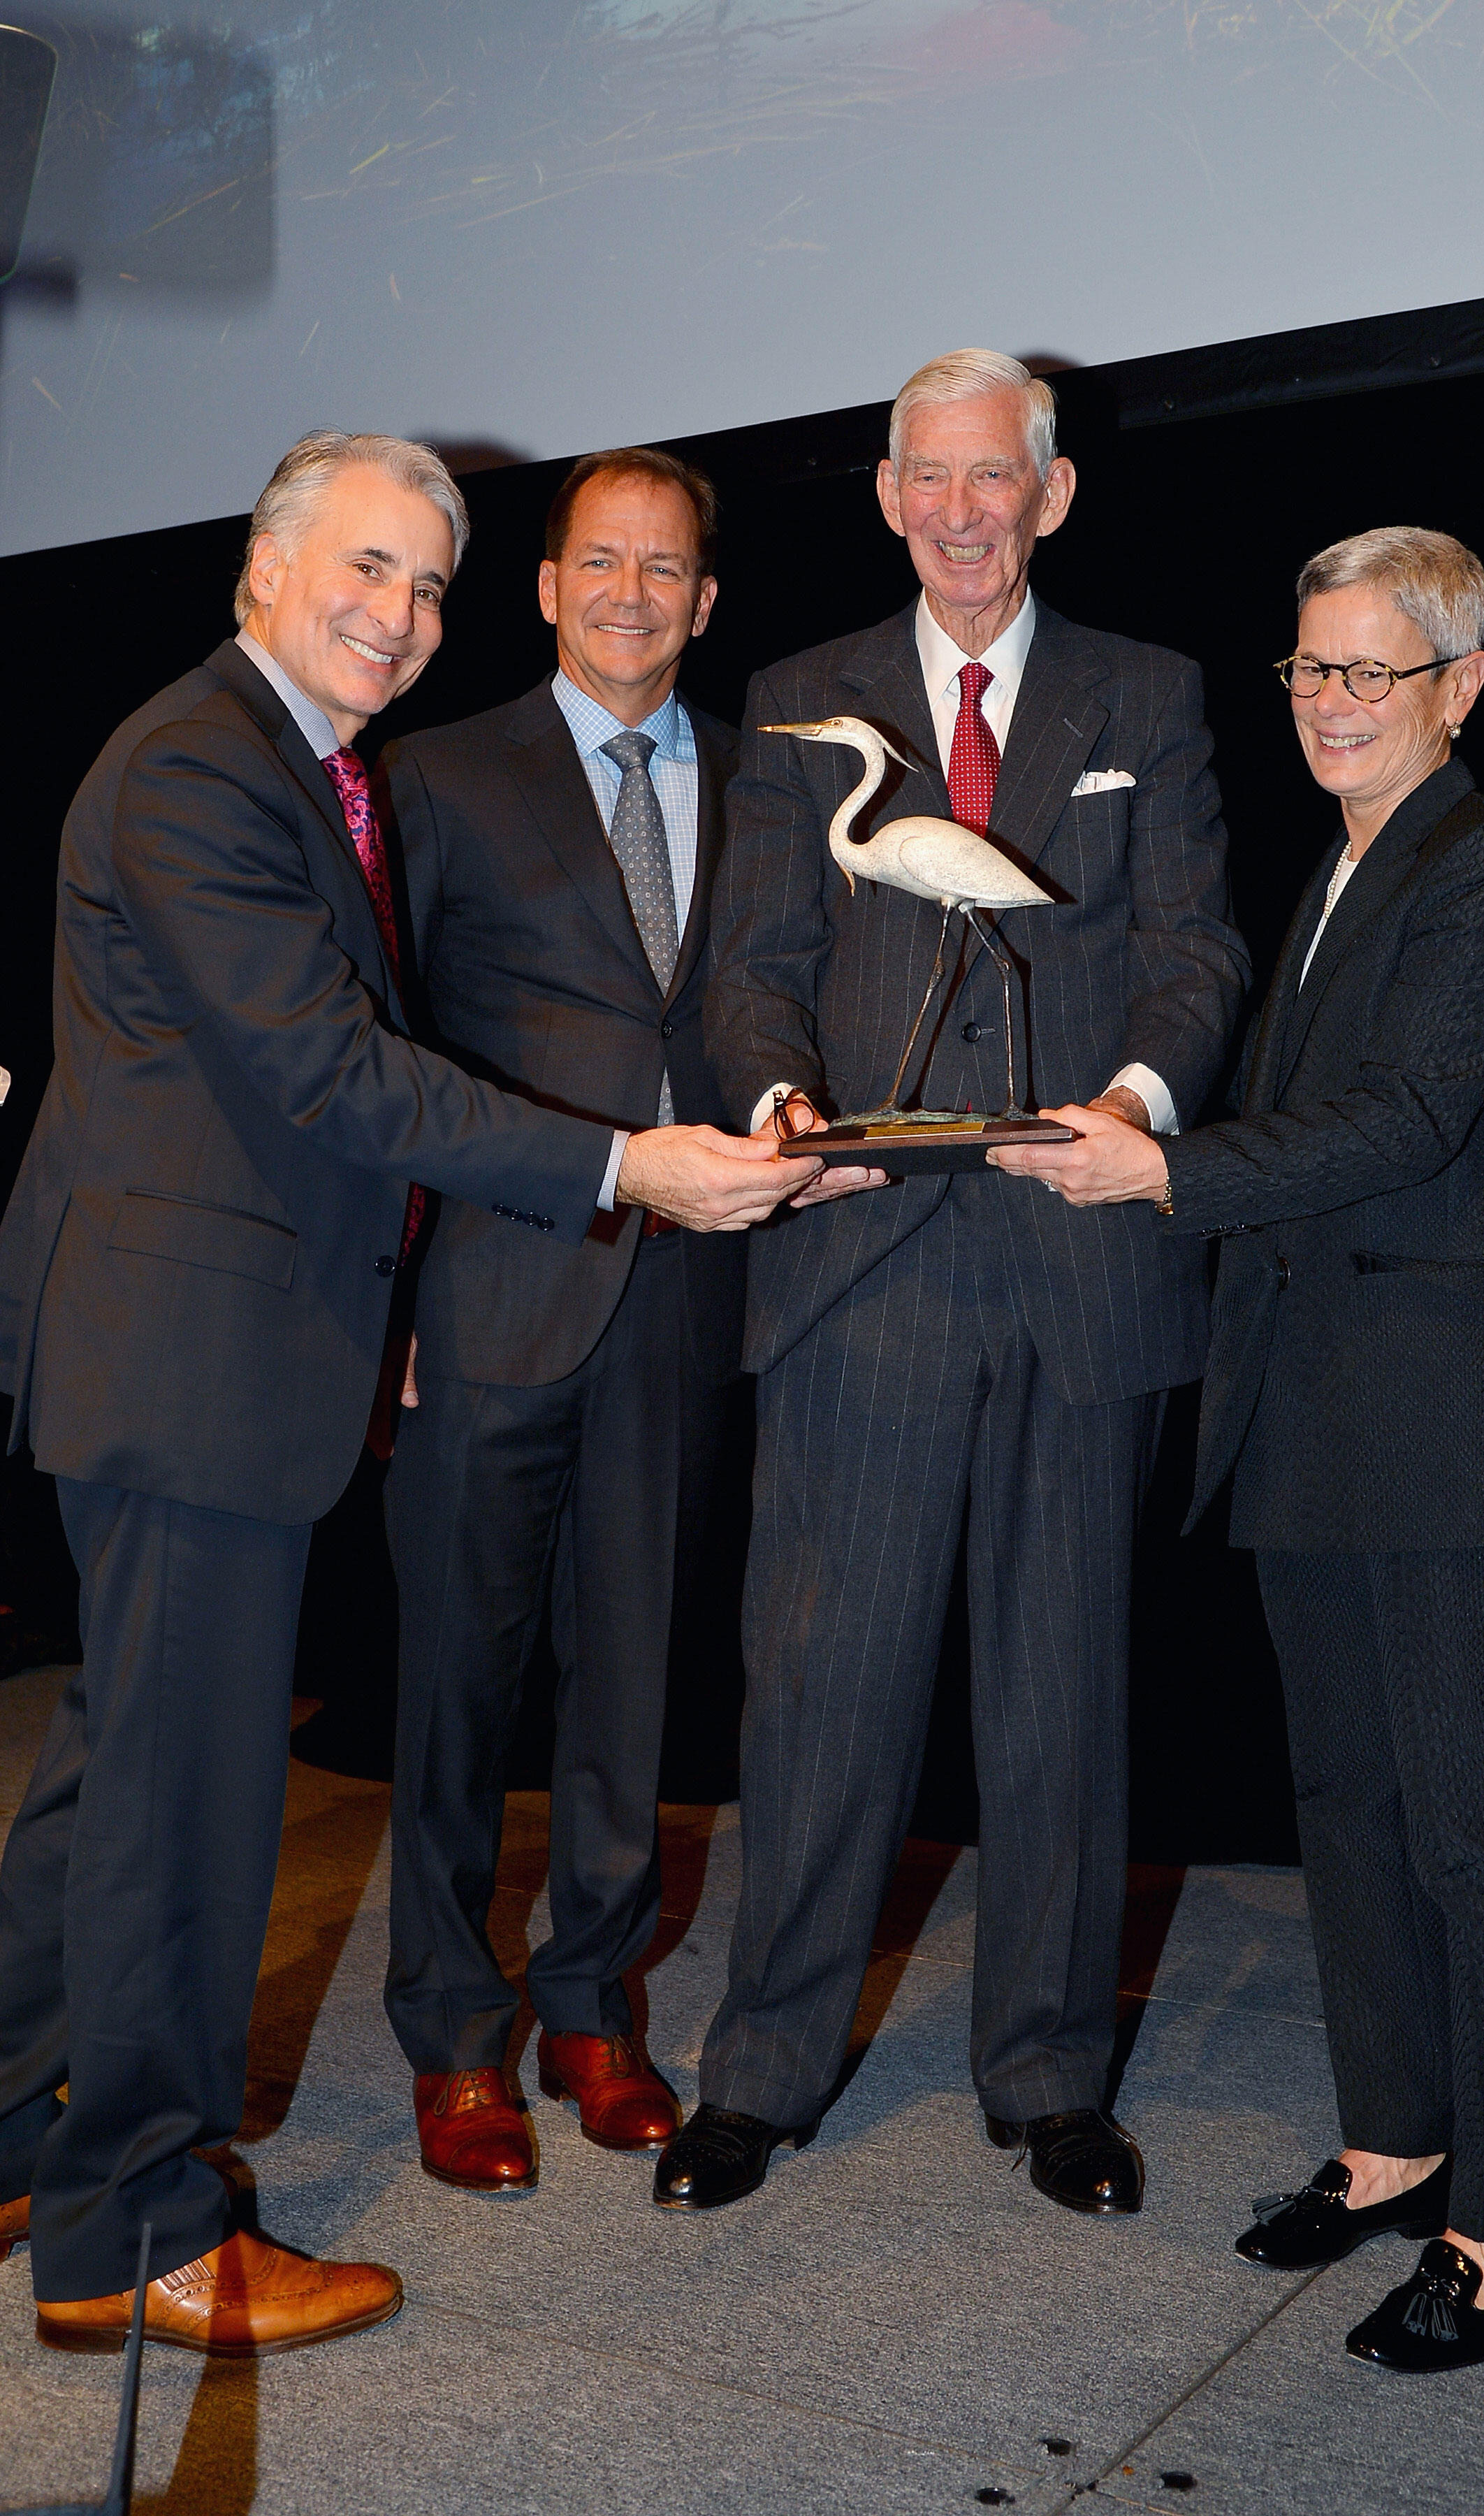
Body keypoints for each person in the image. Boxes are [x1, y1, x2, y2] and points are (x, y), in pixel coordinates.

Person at [0, 431, 817, 2353]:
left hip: (194, 1351)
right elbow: (330, 1074)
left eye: (426, 584)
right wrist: (626, 1164)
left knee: (117, 1774)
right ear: (264, 569)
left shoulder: (288, 765)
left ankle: (22, 2130)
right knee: (183, 1811)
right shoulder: (203, 765)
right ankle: (133, 2233)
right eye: (366, 567)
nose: (398, 614)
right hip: (190, 1357)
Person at [993, 526, 1484, 2373]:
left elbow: (1405, 1123)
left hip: (1448, 1436)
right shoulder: (1342, 868)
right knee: (1349, 1811)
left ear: (1458, 687)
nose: (1329, 703)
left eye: (1369, 672)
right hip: (1314, 1421)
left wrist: (1159, 1170)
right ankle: (1398, 2144)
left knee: (1479, 1834)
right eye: (1309, 668)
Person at [657, 349, 1247, 2215]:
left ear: (1049, 497)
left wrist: (1134, 1106)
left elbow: (1197, 952)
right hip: (861, 1264)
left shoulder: (1147, 692)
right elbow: (751, 962)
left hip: (1078, 1258)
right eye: (932, 477)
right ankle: (760, 2072)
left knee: (1061, 1701)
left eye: (997, 477)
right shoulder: (797, 696)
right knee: (816, 1693)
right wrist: (778, 1100)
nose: (964, 511)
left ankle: (1053, 2078)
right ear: (891, 496)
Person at [375, 449, 747, 2184]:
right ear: (542, 587)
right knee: (455, 1686)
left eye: (663, 569)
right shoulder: (436, 777)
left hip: (684, 1300)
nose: (630, 594)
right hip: (488, 1291)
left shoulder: (763, 778)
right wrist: (388, 1297)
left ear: (704, 600)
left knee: (634, 1681)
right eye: (600, 561)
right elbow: (381, 1057)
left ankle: (592, 2005)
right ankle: (453, 2034)